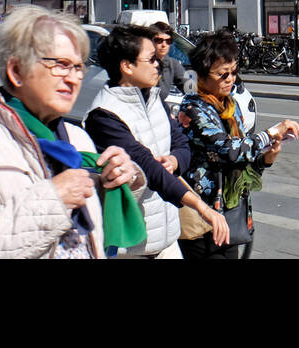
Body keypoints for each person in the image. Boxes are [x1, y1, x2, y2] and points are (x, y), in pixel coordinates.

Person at [0, 5, 143, 258]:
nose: (73, 78)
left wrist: (116, 180)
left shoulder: (78, 138)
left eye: (77, 67)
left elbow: (90, 232)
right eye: (61, 65)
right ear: (16, 71)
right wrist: (54, 201)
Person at [85, 26, 229, 258]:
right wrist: (202, 207)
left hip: (166, 236)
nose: (158, 64)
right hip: (130, 246)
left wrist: (174, 160)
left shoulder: (152, 97)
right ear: (127, 66)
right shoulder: (104, 116)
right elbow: (149, 167)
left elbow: (181, 143)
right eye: (151, 59)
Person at [177, 31, 299, 259]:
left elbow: (243, 162)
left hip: (229, 214)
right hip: (201, 218)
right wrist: (272, 132)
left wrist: (266, 159)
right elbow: (230, 150)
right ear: (202, 76)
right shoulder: (193, 108)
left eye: (234, 72)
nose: (230, 79)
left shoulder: (230, 107)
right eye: (223, 74)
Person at [151, 21, 187, 106]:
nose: (164, 45)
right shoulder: (142, 62)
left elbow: (191, 90)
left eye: (168, 41)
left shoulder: (172, 64)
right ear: (150, 41)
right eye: (159, 40)